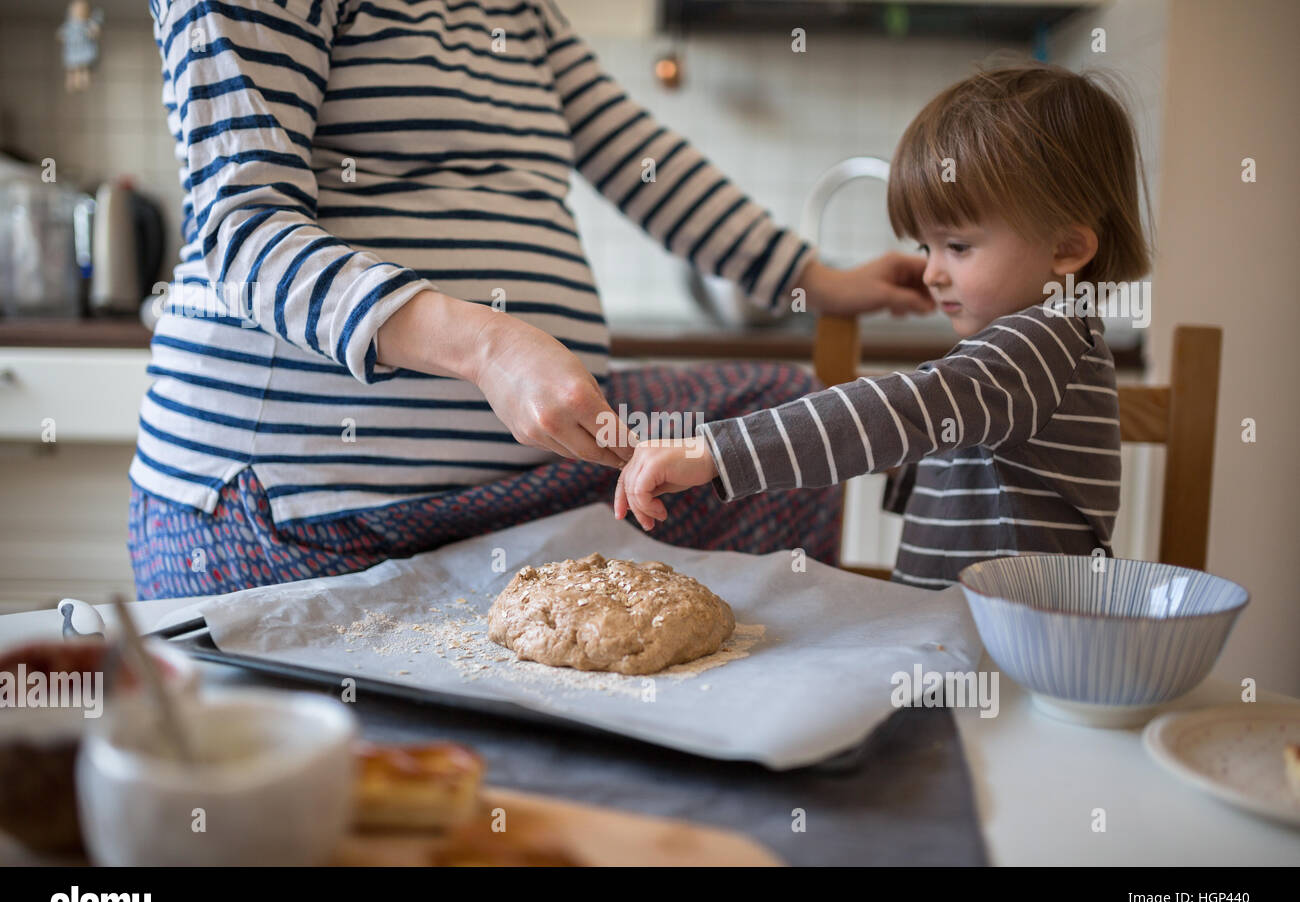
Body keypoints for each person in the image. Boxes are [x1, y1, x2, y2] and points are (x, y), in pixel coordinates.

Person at [128, 0, 932, 598]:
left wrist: (819, 279)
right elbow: (242, 231)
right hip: (298, 513)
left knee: (778, 422)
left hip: (505, 493)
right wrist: (487, 347)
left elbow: (641, 158)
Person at [614, 63, 1152, 589]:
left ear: (1067, 248)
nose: (932, 271)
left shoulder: (1045, 341)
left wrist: (717, 452)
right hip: (978, 648)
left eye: (958, 246)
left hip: (1019, 657)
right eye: (927, 247)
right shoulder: (1037, 348)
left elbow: (908, 408)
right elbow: (957, 459)